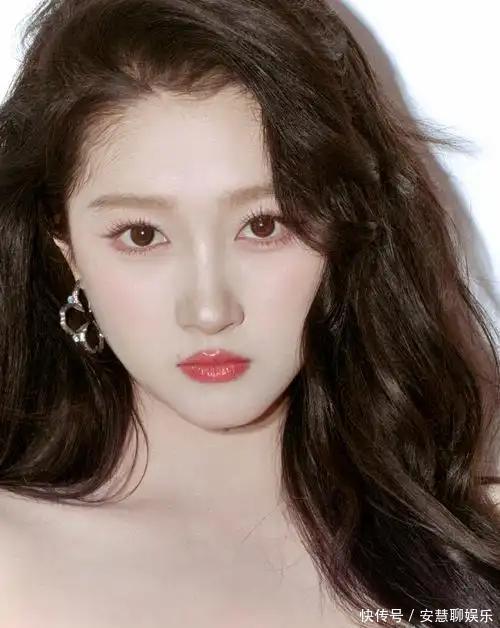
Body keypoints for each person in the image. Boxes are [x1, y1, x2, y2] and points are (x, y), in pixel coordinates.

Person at [0, 0, 498, 626]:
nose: (210, 310)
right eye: (142, 235)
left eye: (264, 226)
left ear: (340, 232)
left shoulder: (473, 551)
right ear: (67, 249)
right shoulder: (12, 561)